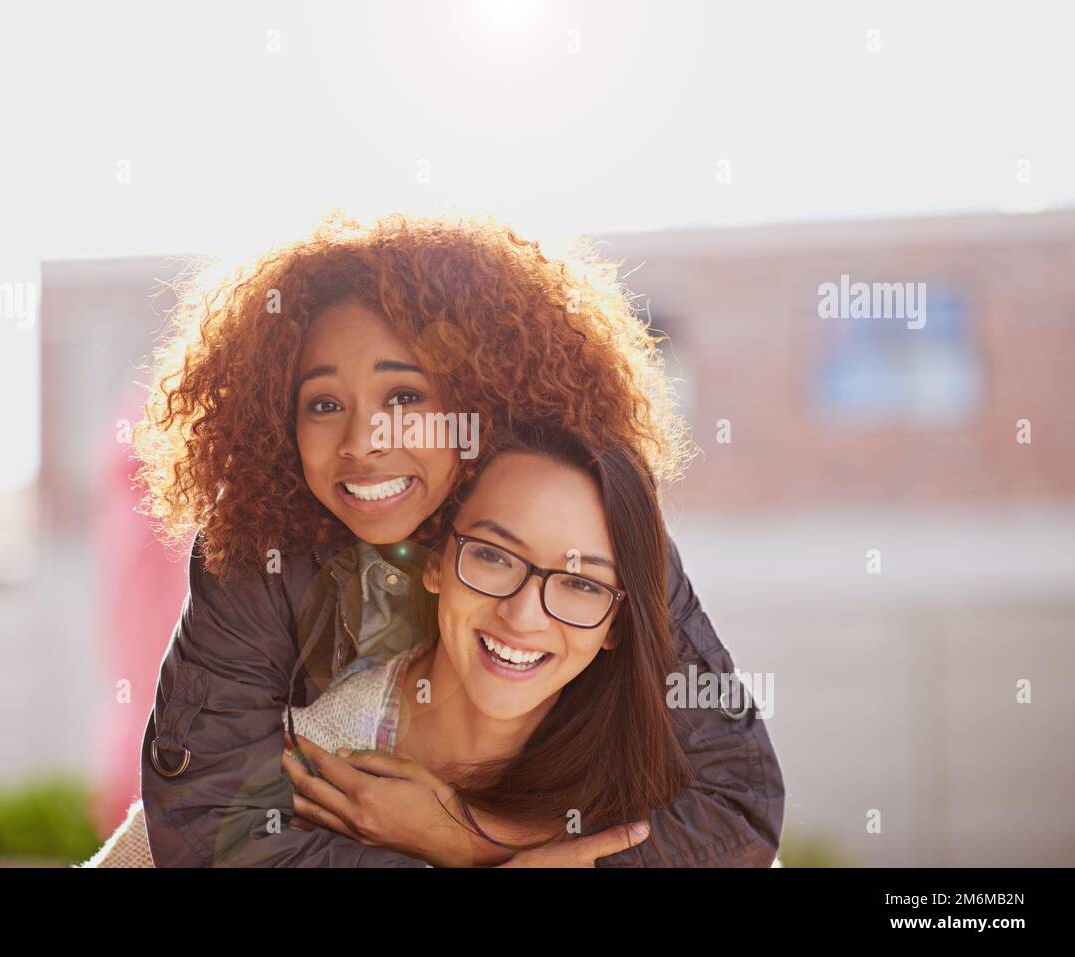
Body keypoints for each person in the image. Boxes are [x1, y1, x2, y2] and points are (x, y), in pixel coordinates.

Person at [121, 209, 783, 866]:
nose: (362, 443)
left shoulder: (591, 523)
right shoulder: (253, 550)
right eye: (324, 404)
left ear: (480, 399)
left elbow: (738, 807)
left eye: (405, 398)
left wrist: (472, 839)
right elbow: (209, 826)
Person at [280, 423, 698, 866]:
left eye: (580, 583)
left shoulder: (665, 790)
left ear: (615, 626)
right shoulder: (317, 757)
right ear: (436, 563)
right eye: (493, 555)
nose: (522, 616)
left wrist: (462, 838)